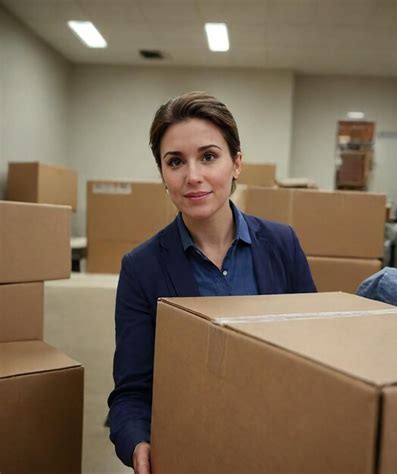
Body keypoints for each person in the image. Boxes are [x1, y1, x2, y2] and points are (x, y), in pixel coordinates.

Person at [107, 91, 316, 473]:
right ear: (162, 174)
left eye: (208, 156)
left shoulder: (282, 244)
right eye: (175, 162)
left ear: (236, 163)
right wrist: (137, 443)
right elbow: (131, 393)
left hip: (278, 444)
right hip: (194, 449)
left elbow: (317, 359)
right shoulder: (141, 268)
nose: (193, 176)